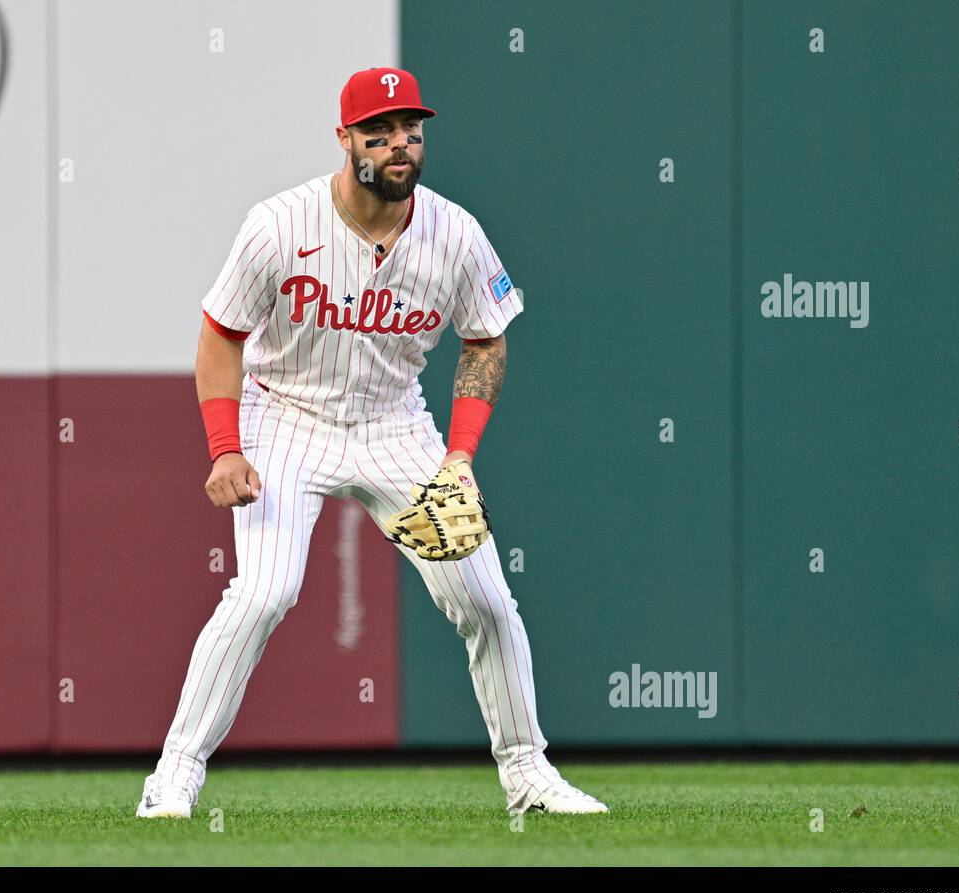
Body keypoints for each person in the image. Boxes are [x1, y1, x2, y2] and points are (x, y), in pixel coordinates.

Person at [138, 67, 608, 819]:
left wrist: (459, 456)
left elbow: (485, 342)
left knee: (485, 600)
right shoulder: (278, 225)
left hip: (396, 425)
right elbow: (221, 335)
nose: (400, 145)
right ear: (346, 139)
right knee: (264, 592)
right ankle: (176, 773)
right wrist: (225, 447)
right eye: (380, 132)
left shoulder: (455, 233)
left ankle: (528, 773)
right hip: (284, 417)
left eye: (411, 132)